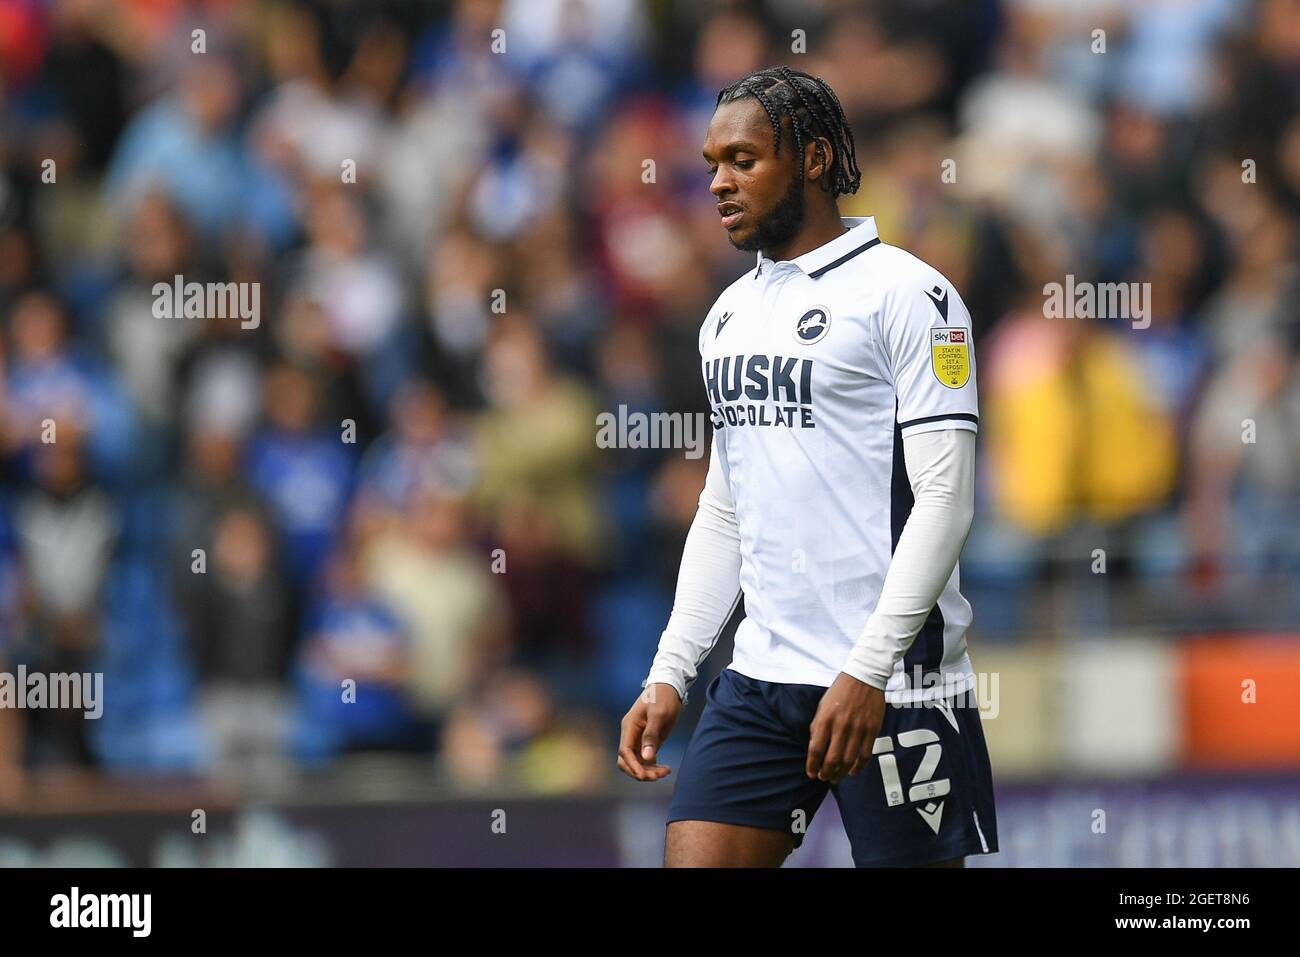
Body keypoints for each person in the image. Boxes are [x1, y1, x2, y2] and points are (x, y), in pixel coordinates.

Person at [617, 66, 998, 868]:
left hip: (896, 682)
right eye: (712, 162)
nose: (718, 182)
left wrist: (868, 668)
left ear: (816, 157)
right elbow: (726, 506)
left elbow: (946, 500)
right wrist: (671, 669)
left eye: (744, 161)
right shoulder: (726, 315)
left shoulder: (912, 298)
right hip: (761, 676)